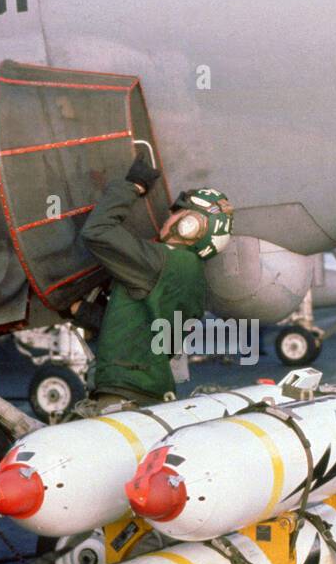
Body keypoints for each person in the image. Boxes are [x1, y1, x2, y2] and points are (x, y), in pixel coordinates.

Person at [80, 155, 233, 408]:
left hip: (123, 394)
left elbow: (97, 231)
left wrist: (134, 186)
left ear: (190, 225)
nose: (167, 217)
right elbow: (155, 338)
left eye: (177, 212)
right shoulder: (193, 278)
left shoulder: (162, 261)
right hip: (152, 393)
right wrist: (84, 312)